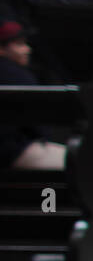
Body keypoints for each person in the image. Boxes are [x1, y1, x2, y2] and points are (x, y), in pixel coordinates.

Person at [0, 20, 66, 170]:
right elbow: (37, 123)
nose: (27, 49)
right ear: (1, 49)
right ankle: (49, 195)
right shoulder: (14, 73)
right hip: (11, 150)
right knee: (79, 163)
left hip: (12, 147)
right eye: (19, 44)